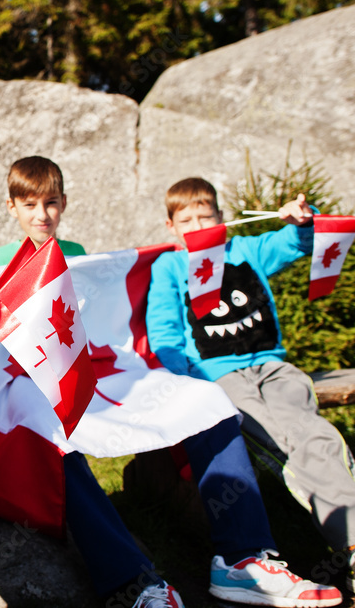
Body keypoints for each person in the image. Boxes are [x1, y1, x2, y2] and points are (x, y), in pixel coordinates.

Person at [0, 158, 342, 608]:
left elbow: (101, 316)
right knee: (51, 433)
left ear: (64, 204)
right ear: (11, 207)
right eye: (29, 204)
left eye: (50, 203)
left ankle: (242, 559)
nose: (41, 215)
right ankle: (134, 583)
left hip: (103, 369)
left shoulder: (81, 252)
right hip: (30, 382)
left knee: (208, 399)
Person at [147, 177, 355, 591]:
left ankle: (350, 544)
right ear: (171, 226)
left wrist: (301, 221)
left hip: (273, 368)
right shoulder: (170, 267)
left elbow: (298, 242)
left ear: (222, 218)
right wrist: (186, 381)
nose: (197, 224)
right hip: (218, 374)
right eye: (185, 219)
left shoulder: (245, 250)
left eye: (206, 215)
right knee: (276, 438)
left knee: (314, 434)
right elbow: (165, 331)